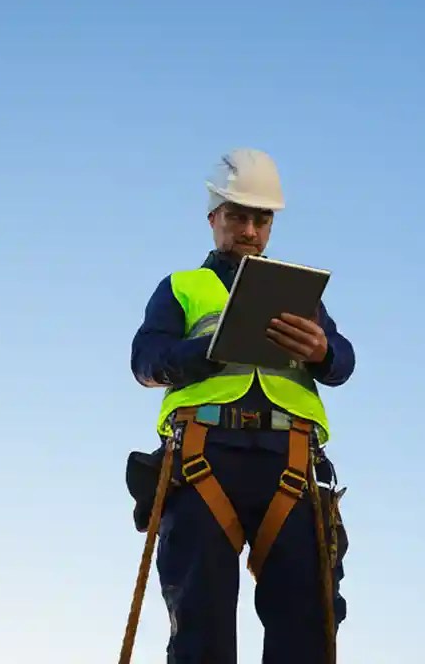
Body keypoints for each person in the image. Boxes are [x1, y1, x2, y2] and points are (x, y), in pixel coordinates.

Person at [128, 148, 354, 663]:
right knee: (200, 630)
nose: (249, 230)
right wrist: (205, 352)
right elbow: (146, 361)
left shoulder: (302, 297)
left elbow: (343, 364)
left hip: (290, 462)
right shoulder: (182, 287)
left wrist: (323, 351)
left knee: (309, 626)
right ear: (214, 218)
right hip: (205, 458)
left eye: (261, 219)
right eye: (237, 217)